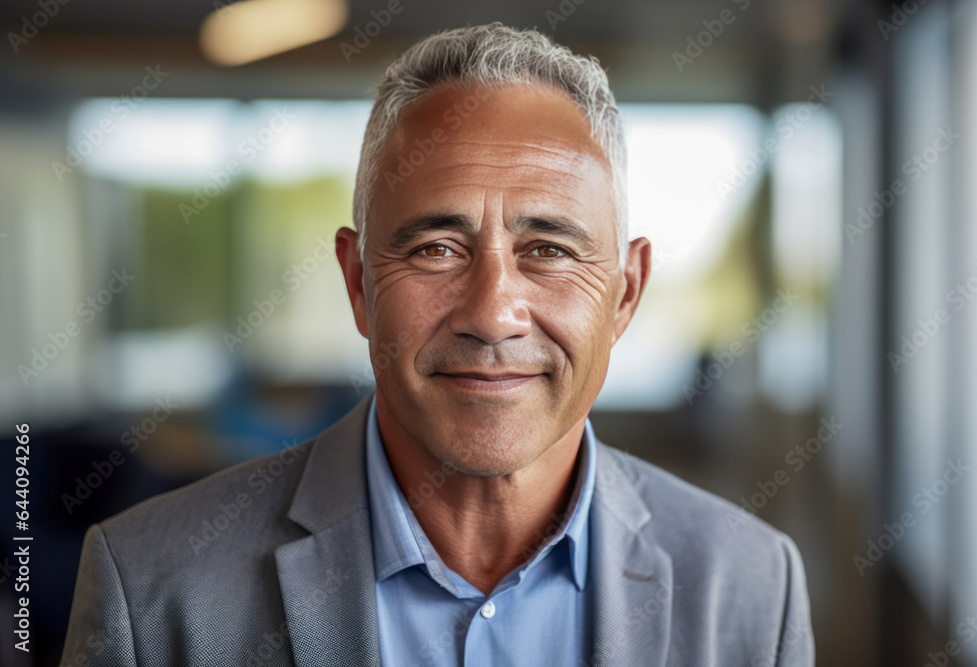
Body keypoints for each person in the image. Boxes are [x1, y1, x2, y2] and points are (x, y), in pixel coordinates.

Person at [61, 22, 814, 666]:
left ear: (624, 293)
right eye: (435, 248)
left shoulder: (752, 587)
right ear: (359, 283)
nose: (492, 314)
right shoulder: (152, 586)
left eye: (549, 250)